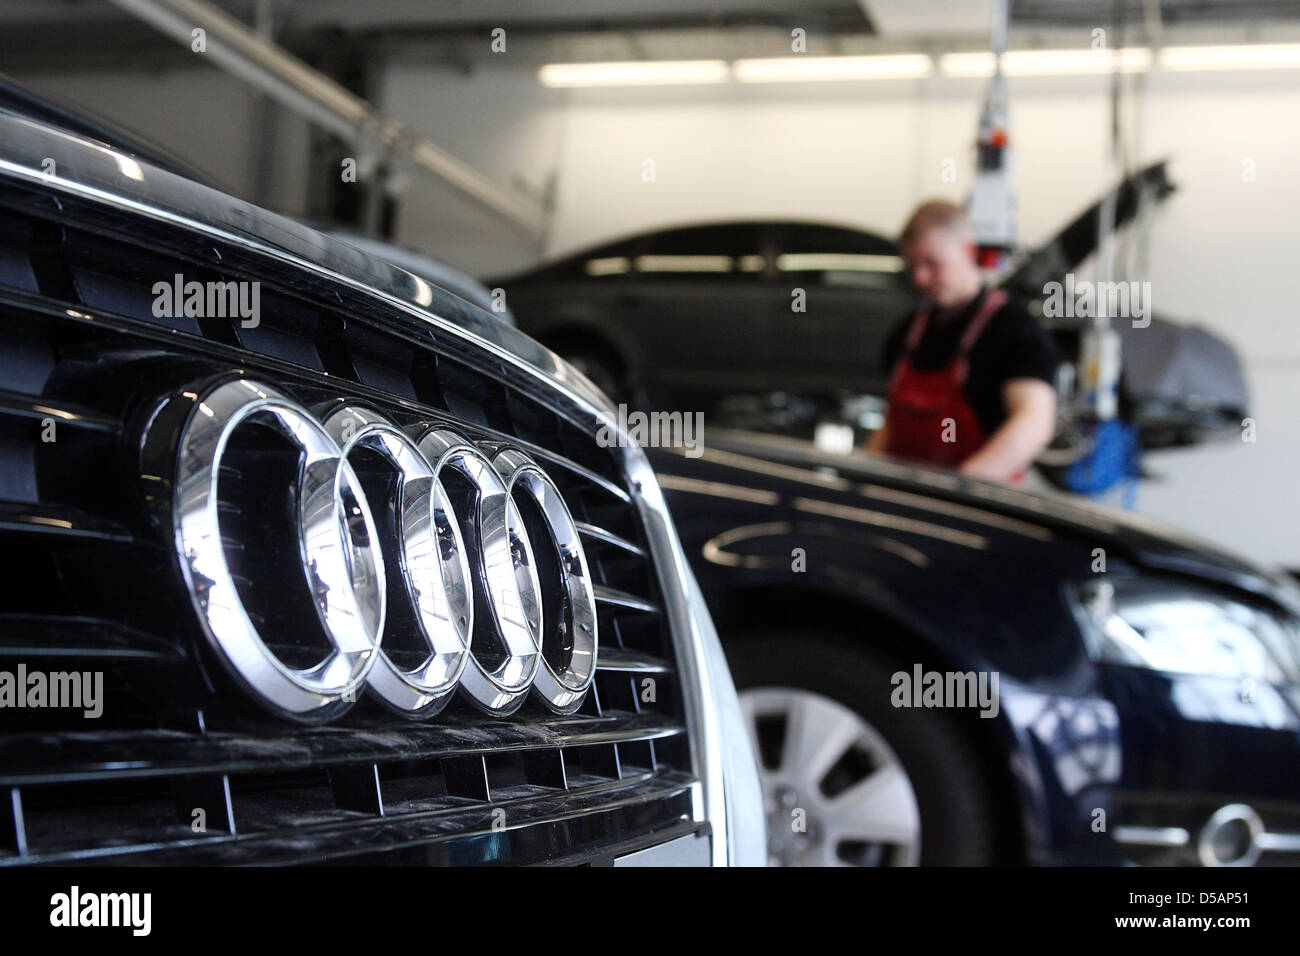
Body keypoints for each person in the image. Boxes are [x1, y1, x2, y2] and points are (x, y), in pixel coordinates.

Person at [865, 200, 1059, 482]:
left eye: (932, 263)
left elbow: (1034, 422)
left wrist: (961, 488)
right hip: (907, 506)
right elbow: (892, 425)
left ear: (968, 251)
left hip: (976, 513)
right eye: (913, 265)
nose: (920, 278)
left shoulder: (1014, 330)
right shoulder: (907, 332)